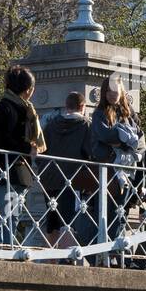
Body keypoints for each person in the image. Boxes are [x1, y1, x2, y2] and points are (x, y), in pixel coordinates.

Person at [0, 66, 42, 246]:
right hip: (9, 169)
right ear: (27, 89)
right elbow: (4, 140)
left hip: (15, 171)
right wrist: (28, 147)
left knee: (11, 213)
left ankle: (5, 247)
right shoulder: (9, 107)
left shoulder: (13, 106)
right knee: (4, 212)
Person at [89, 78, 144, 262]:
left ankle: (116, 253)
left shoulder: (130, 114)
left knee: (122, 211)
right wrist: (123, 136)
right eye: (109, 91)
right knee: (106, 210)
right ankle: (104, 252)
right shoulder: (99, 113)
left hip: (128, 169)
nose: (113, 94)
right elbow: (102, 134)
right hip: (109, 169)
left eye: (116, 90)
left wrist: (131, 146)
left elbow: (140, 138)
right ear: (104, 93)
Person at [40, 92, 94, 247]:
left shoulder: (51, 124)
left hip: (48, 178)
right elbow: (90, 153)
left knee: (52, 221)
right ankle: (66, 260)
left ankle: (51, 258)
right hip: (71, 178)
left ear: (66, 106)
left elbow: (42, 150)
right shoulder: (85, 125)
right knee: (69, 221)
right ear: (83, 106)